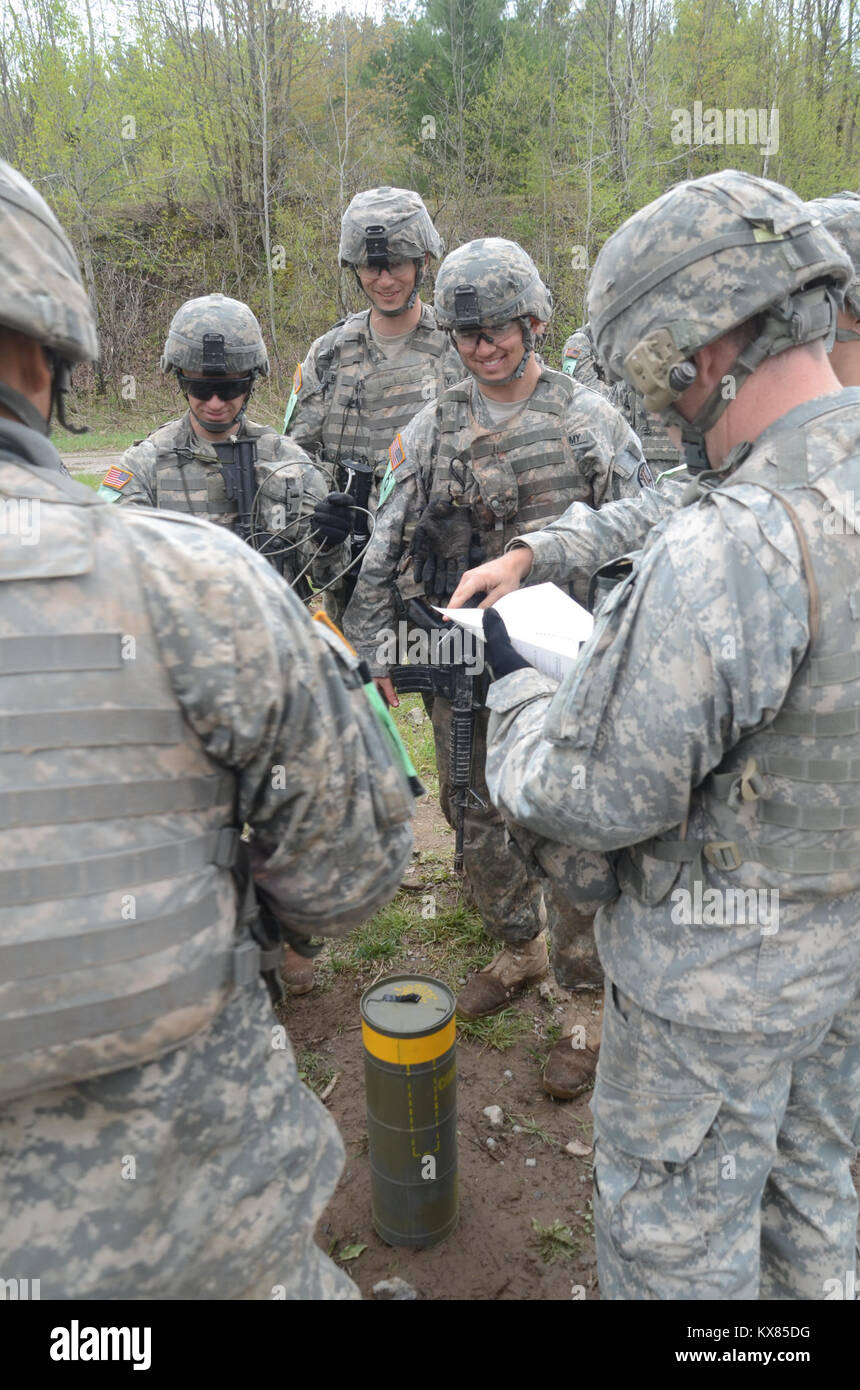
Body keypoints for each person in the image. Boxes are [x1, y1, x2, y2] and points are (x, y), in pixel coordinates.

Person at [0, 158, 414, 1300]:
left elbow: (318, 587)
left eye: (235, 382)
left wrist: (336, 541)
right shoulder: (138, 487)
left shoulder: (280, 465)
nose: (220, 401)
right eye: (202, 384)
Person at [477, 168, 860, 1299]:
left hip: (711, 996)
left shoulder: (729, 548)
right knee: (816, 1220)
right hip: (837, 975)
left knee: (680, 1261)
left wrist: (512, 693)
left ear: (686, 355)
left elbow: (585, 798)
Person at [344, 236, 654, 1099]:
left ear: (536, 323)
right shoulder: (432, 426)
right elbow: (384, 544)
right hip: (459, 654)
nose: (484, 348)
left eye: (500, 331)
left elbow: (645, 528)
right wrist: (379, 654)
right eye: (468, 333)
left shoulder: (588, 418)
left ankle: (586, 1003)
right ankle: (518, 949)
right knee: (473, 813)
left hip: (564, 656)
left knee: (570, 830)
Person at [284, 186, 464, 620]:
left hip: (440, 570)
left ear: (422, 262)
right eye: (371, 267)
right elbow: (294, 459)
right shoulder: (329, 355)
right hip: (350, 570)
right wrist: (324, 524)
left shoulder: (460, 347)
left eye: (396, 265)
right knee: (354, 687)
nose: (384, 281)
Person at [103, 293, 338, 591]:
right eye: (200, 388)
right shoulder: (145, 465)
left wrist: (328, 539)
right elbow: (113, 569)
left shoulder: (289, 461)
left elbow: (328, 577)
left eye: (230, 388)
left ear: (251, 381)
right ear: (180, 379)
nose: (215, 403)